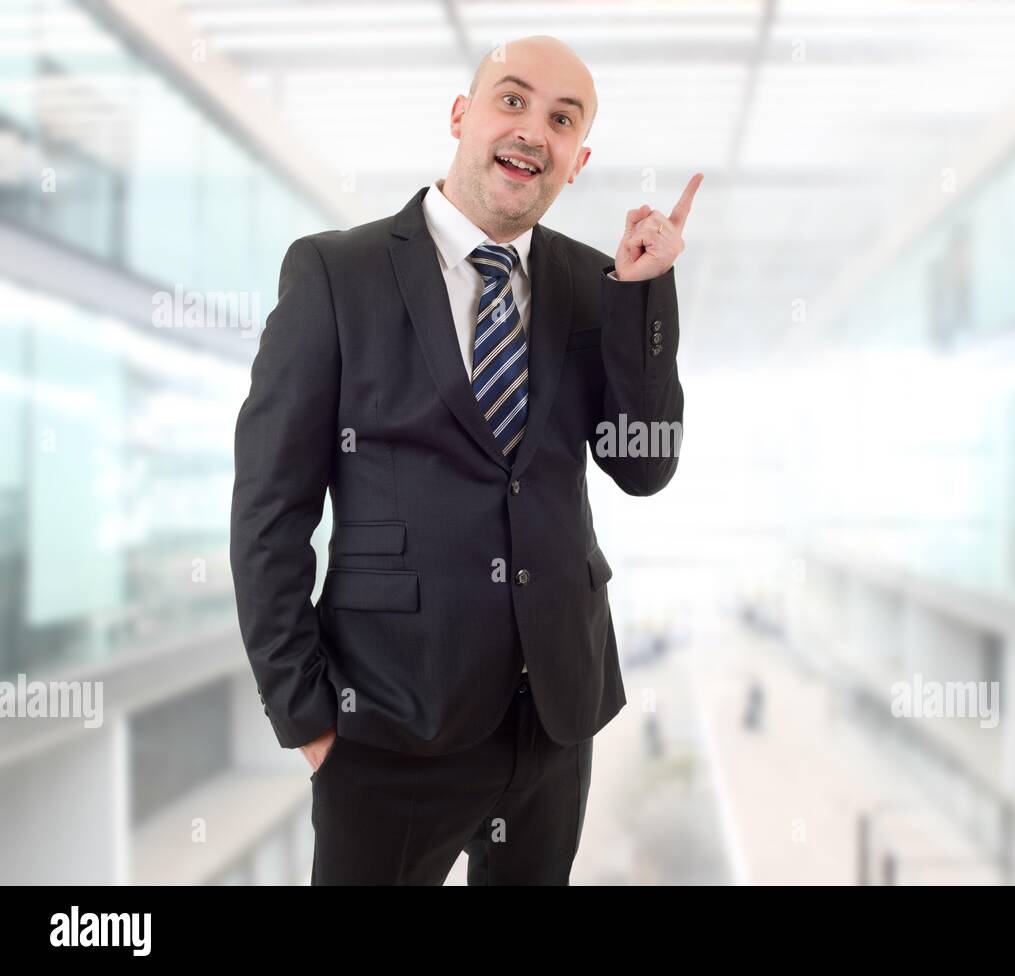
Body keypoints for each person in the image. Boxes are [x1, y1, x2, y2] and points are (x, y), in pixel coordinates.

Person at [229, 33, 701, 884]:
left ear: (577, 160)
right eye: (512, 100)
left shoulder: (598, 284)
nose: (533, 130)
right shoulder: (337, 273)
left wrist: (645, 298)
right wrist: (307, 723)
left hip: (554, 720)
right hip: (387, 727)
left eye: (562, 119)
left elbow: (644, 464)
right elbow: (269, 512)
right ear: (461, 114)